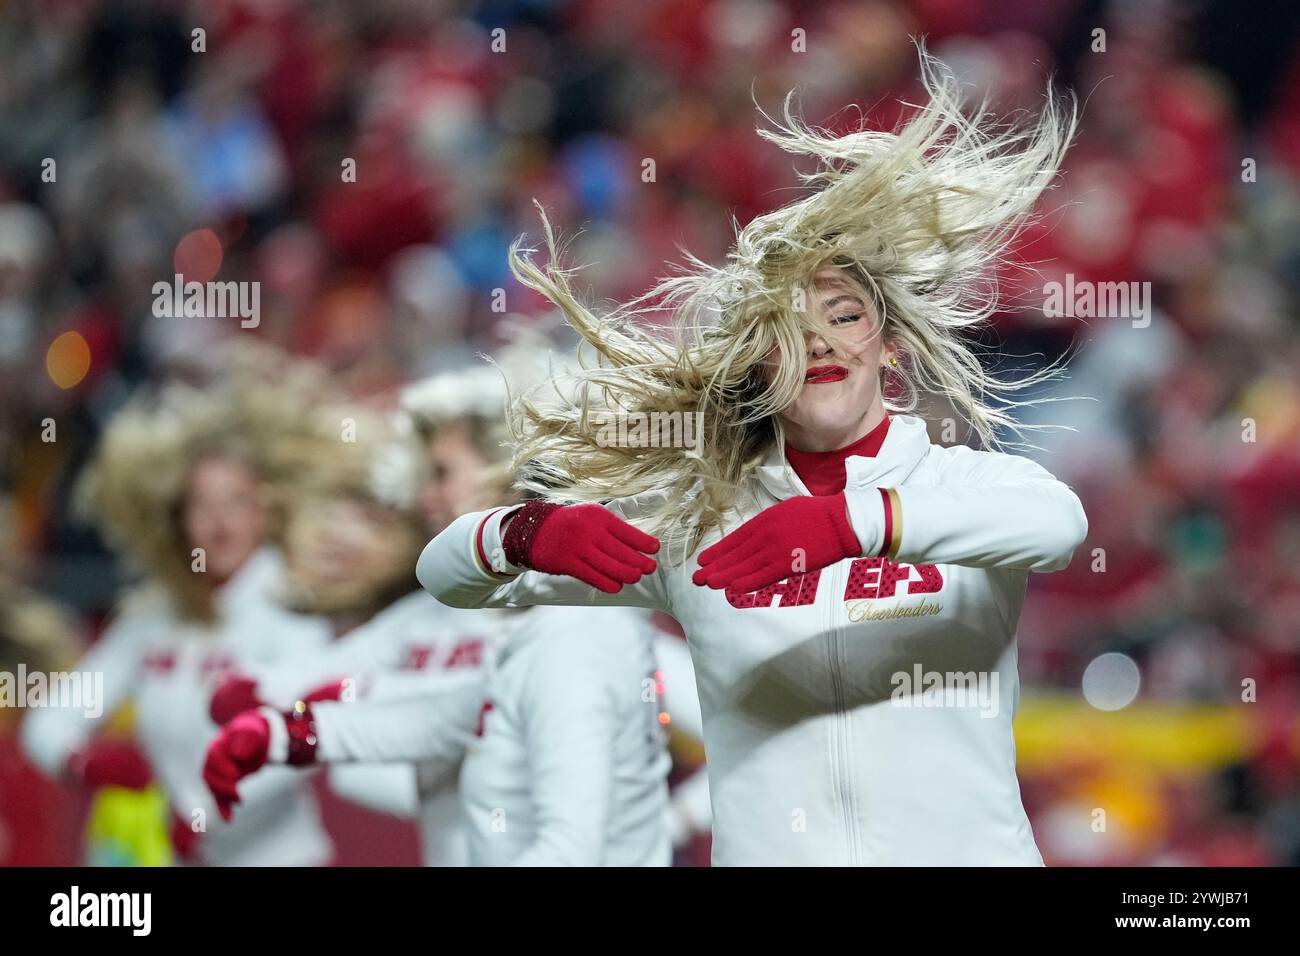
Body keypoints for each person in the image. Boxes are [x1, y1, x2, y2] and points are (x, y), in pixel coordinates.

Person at [415, 48, 1088, 866]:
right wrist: (523, 535)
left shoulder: (959, 486)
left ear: (892, 348)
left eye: (844, 316)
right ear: (755, 369)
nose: (820, 342)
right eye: (787, 330)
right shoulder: (702, 522)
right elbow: (443, 576)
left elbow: (1058, 524)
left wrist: (855, 524)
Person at [204, 357, 681, 865]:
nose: (424, 498)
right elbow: (462, 714)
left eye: (442, 473)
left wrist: (684, 822)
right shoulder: (525, 625)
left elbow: (570, 849)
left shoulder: (578, 631)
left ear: (510, 474)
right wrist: (291, 731)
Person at [21, 348, 338, 866]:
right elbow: (48, 722)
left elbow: (301, 743)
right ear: (177, 518)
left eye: (238, 502)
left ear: (267, 511)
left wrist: (200, 813)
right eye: (202, 505)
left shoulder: (293, 607)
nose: (220, 523)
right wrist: (83, 761)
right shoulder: (152, 618)